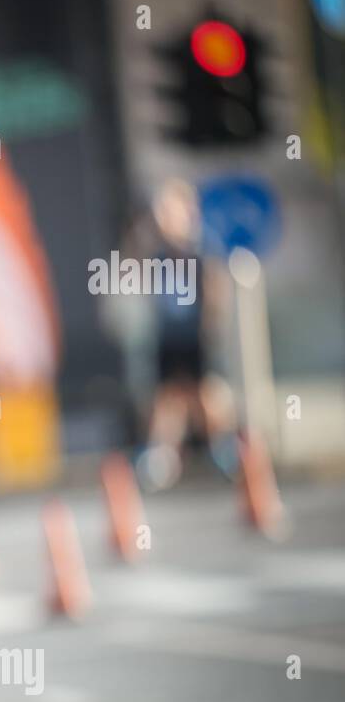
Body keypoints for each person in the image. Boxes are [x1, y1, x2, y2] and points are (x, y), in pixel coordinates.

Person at [129, 179, 238, 491]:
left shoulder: (201, 253)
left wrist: (213, 328)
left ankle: (226, 451)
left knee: (206, 396)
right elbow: (135, 267)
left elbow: (215, 295)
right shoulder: (157, 254)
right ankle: (160, 459)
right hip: (169, 337)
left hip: (195, 338)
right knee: (168, 399)